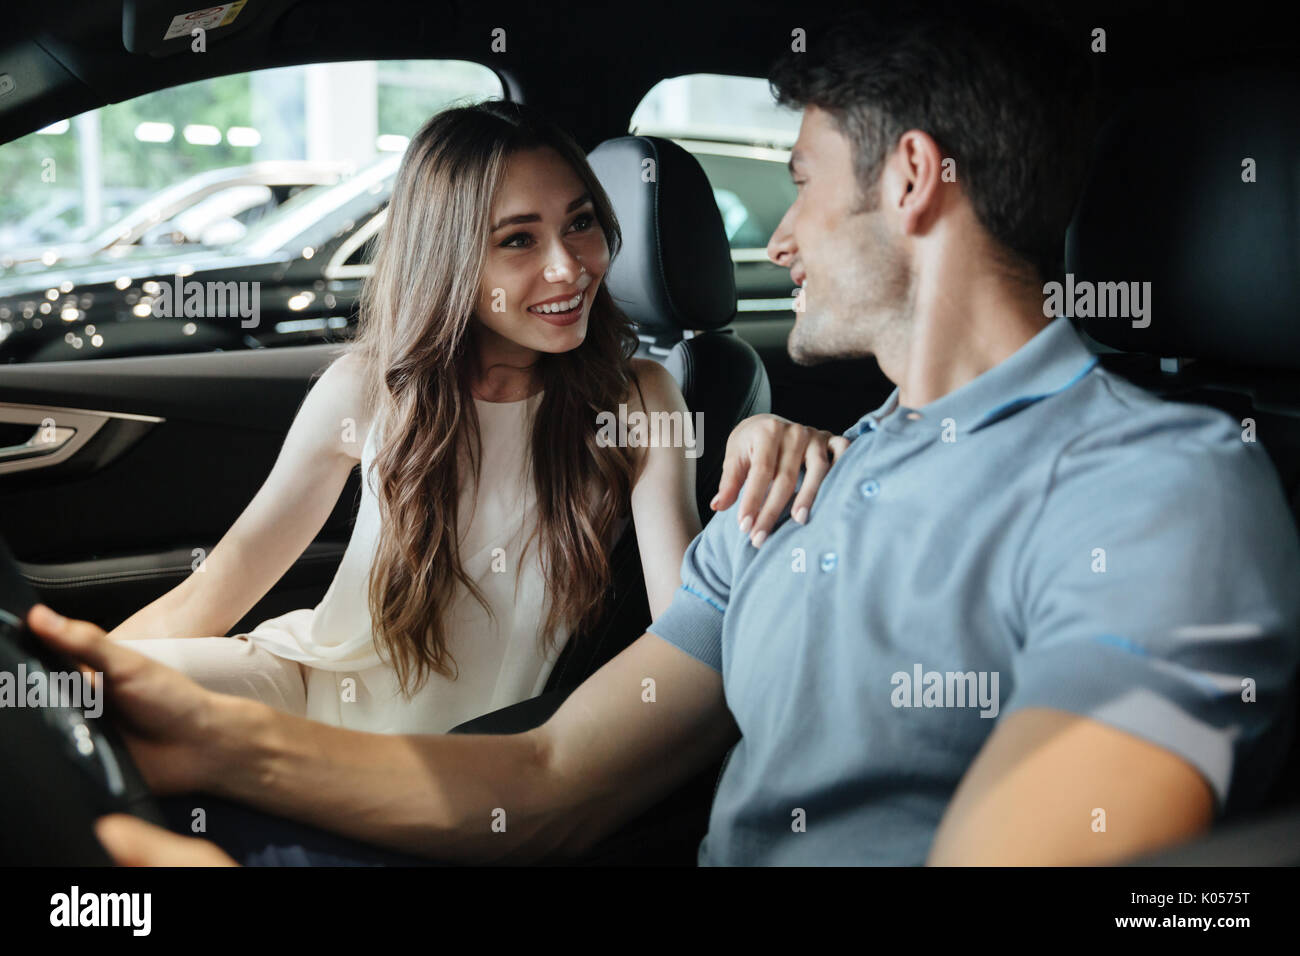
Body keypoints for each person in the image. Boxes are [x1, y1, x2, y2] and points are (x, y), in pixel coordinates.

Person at [30, 1, 1300, 866]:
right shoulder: (789, 497)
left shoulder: (1152, 491)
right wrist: (214, 735)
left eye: (797, 182)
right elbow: (547, 787)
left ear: (909, 180)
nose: (777, 238)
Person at [104, 101, 714, 734]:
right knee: (78, 706)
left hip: (475, 751)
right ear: (448, 257)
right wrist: (67, 673)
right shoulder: (365, 390)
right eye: (518, 239)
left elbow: (688, 631)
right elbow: (215, 591)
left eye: (580, 222)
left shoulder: (639, 400)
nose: (568, 266)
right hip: (304, 688)